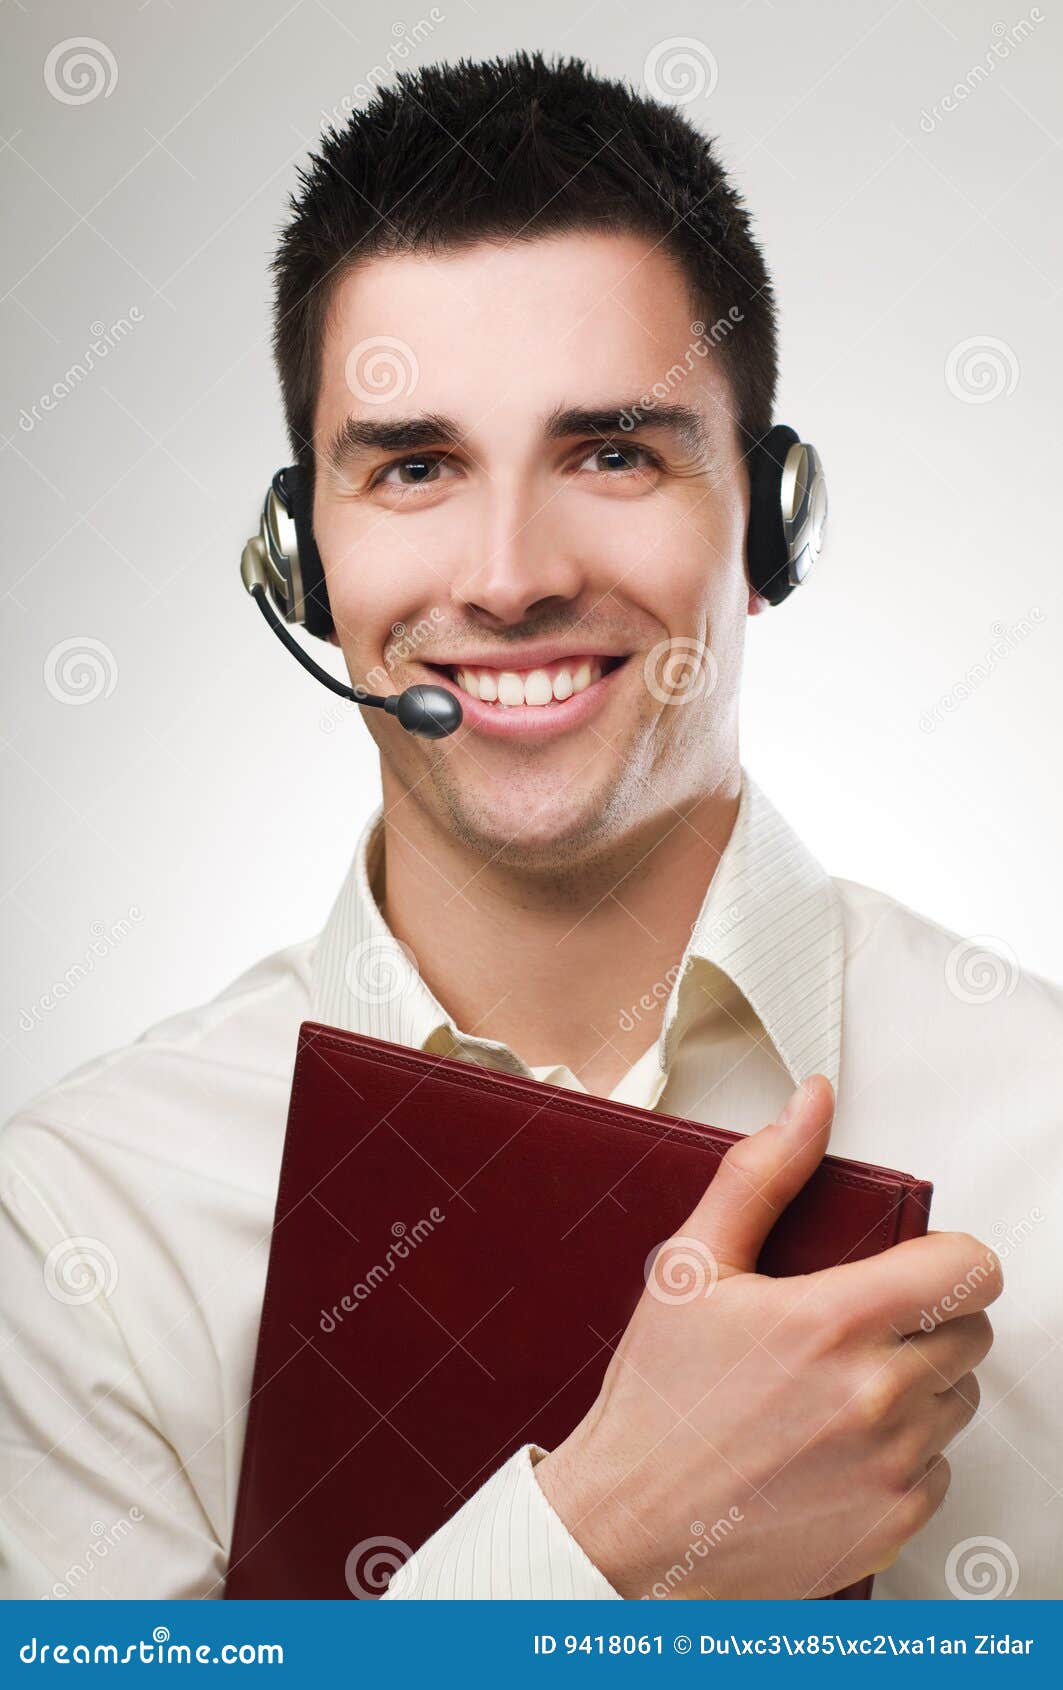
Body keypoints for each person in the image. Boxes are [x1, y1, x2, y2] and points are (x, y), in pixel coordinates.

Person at [1, 51, 1058, 1604]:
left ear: (773, 525)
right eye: (416, 466)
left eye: (612, 451)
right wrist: (603, 1545)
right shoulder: (86, 1226)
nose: (507, 577)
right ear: (304, 563)